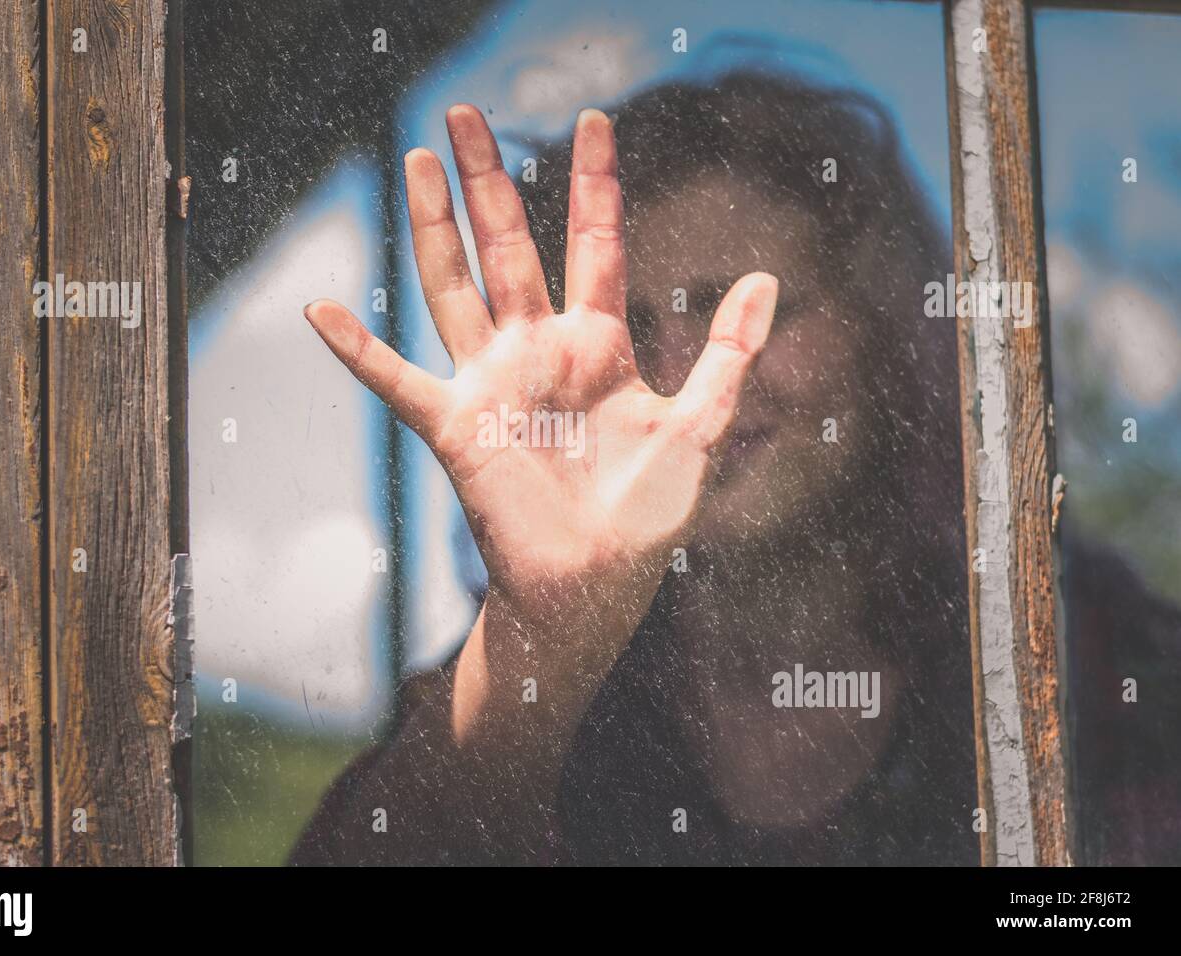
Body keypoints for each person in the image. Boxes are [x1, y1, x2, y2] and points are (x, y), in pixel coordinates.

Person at [290, 70, 979, 865]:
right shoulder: (524, 686)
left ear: (880, 331)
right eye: (634, 326)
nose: (686, 371)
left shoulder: (1082, 652)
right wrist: (539, 649)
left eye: (744, 310)